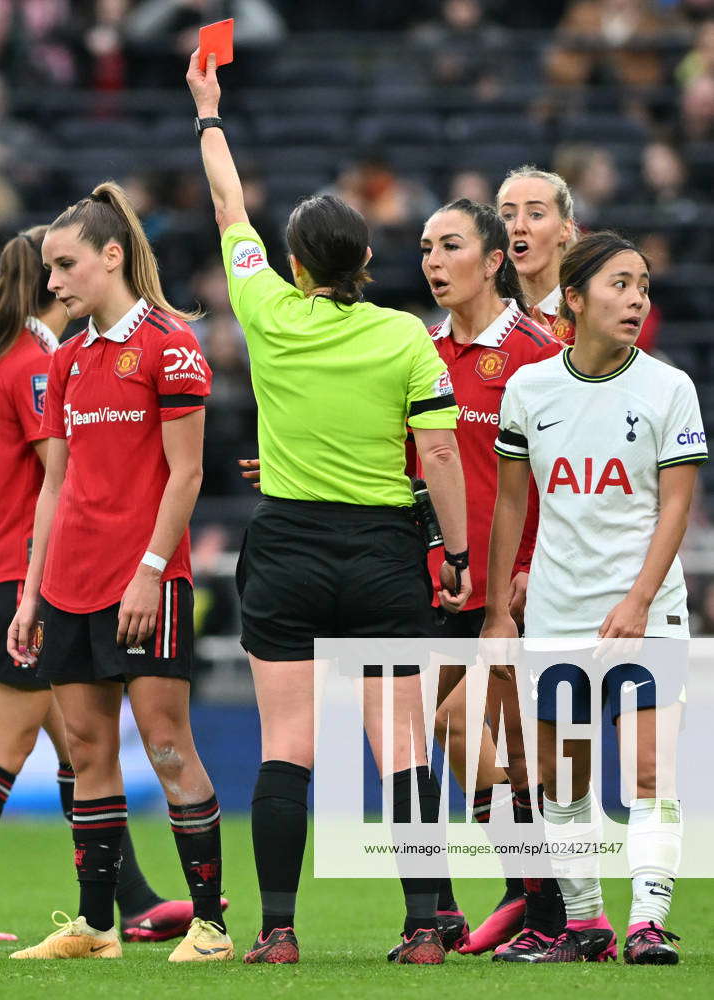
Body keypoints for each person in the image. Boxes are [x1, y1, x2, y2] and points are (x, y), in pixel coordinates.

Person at [187, 51, 471, 965]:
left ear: (296, 263)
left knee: (287, 747)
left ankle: (277, 930)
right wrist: (456, 554)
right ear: (368, 261)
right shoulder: (405, 337)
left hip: (289, 546)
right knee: (401, 747)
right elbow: (437, 453)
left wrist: (208, 112)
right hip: (384, 551)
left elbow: (228, 207)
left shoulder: (267, 310)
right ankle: (423, 927)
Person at [0, 225, 199, 944]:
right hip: (25, 573)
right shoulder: (41, 364)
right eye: (56, 267)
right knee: (10, 745)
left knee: (80, 747)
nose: (64, 278)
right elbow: (64, 473)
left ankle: (132, 903)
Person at [6, 183, 231, 963]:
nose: (52, 281)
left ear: (111, 256)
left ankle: (210, 926)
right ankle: (96, 927)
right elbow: (54, 487)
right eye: (47, 268)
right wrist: (30, 593)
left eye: (64, 264)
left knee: (166, 746)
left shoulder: (171, 344)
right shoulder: (65, 360)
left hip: (145, 583)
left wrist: (149, 572)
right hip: (67, 584)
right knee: (87, 750)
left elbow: (186, 474)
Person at [485, 231, 707, 964]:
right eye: (620, 284)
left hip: (649, 613)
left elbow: (676, 506)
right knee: (563, 780)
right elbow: (511, 506)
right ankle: (587, 926)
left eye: (642, 286)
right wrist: (496, 612)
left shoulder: (669, 388)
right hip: (557, 615)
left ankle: (648, 923)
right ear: (573, 299)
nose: (636, 299)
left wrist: (639, 600)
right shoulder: (529, 390)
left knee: (648, 770)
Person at [414, 198, 565, 959]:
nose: (433, 262)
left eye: (450, 246)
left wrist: (531, 566)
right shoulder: (422, 352)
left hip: (509, 589)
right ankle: (512, 896)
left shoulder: (537, 354)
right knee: (438, 736)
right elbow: (406, 464)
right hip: (438, 584)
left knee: (475, 731)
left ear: (493, 259)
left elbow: (555, 478)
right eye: (425, 249)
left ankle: (541, 899)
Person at [496, 165, 577, 339]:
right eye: (508, 216)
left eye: (536, 214)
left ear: (565, 229)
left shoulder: (592, 312)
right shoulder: (484, 315)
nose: (518, 226)